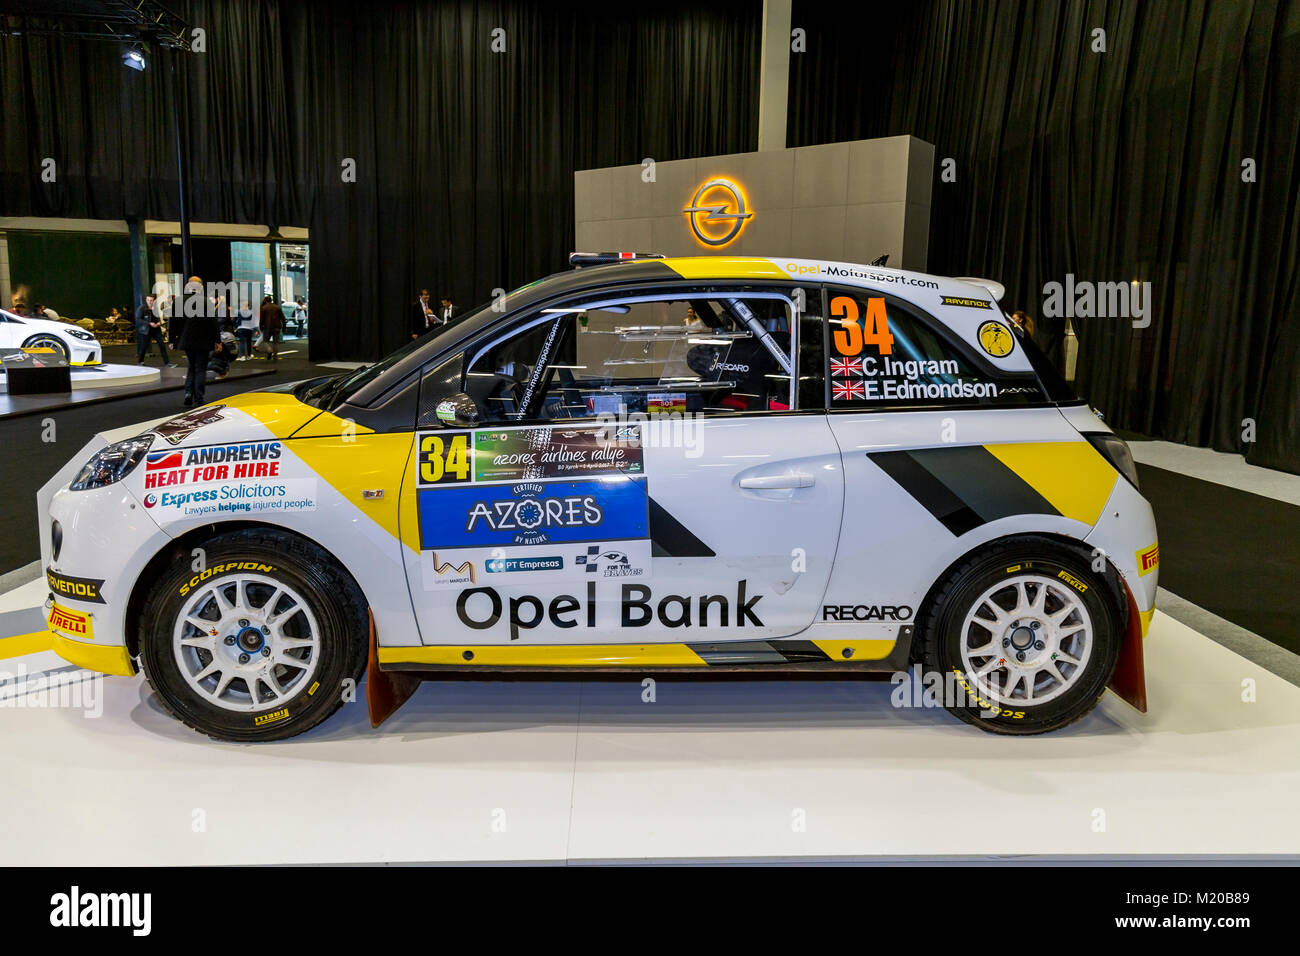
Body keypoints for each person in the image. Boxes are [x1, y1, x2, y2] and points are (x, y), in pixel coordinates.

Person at [179, 300, 220, 408]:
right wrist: (218, 341)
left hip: (188, 341)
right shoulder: (208, 308)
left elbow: (177, 322)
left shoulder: (186, 307)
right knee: (200, 369)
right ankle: (199, 398)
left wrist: (174, 340)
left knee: (191, 367)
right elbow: (215, 325)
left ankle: (188, 393)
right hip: (203, 342)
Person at [135, 293, 175, 367]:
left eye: (151, 300)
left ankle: (167, 363)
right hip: (146, 330)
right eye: (148, 300)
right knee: (144, 347)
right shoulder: (141, 308)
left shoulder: (155, 307)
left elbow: (157, 317)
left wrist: (159, 322)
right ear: (146, 300)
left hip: (156, 329)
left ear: (154, 301)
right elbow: (138, 319)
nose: (149, 302)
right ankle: (140, 362)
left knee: (162, 345)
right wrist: (149, 323)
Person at [259, 294, 285, 362]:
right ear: (271, 300)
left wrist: (260, 326)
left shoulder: (264, 308)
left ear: (265, 301)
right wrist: (284, 326)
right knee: (275, 342)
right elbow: (283, 318)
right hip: (277, 327)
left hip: (267, 327)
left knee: (265, 341)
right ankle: (275, 357)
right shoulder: (277, 307)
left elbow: (261, 319)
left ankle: (269, 350)